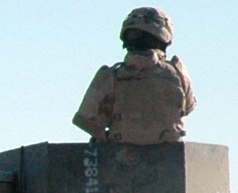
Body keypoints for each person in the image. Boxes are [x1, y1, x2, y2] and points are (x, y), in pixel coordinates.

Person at [73, 8, 195, 145]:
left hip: (119, 158)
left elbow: (85, 119)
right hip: (170, 157)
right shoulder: (178, 71)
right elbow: (189, 106)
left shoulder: (110, 75)